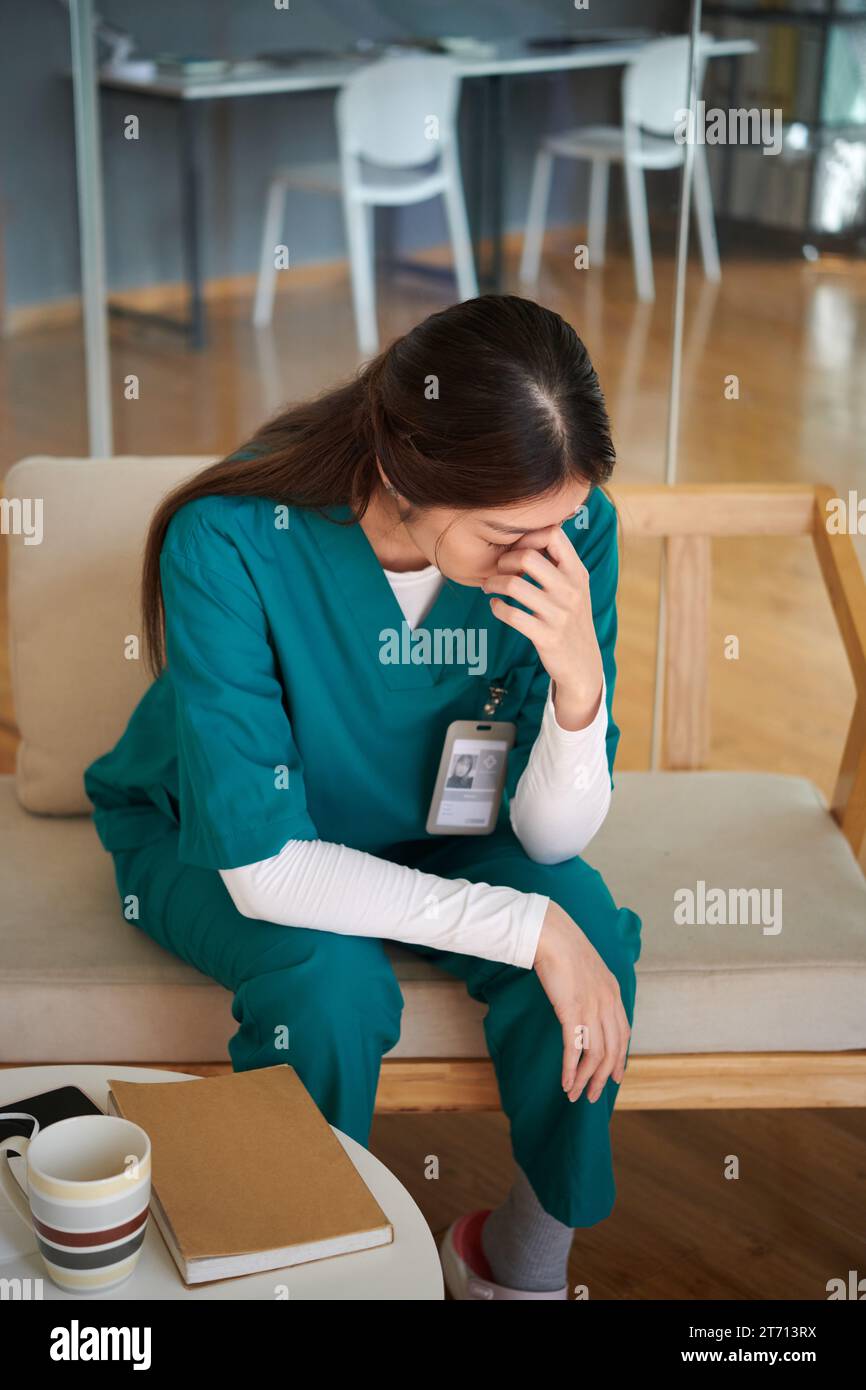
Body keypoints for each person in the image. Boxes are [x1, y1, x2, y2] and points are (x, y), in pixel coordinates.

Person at [84, 293, 642, 1301]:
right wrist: (526, 927)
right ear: (403, 472)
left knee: (587, 924)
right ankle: (304, 1269)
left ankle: (519, 1261)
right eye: (508, 533)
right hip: (224, 834)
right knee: (327, 987)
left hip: (435, 824)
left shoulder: (568, 524)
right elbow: (261, 868)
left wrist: (576, 686)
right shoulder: (230, 541)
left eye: (563, 522)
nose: (545, 553)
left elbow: (550, 840)